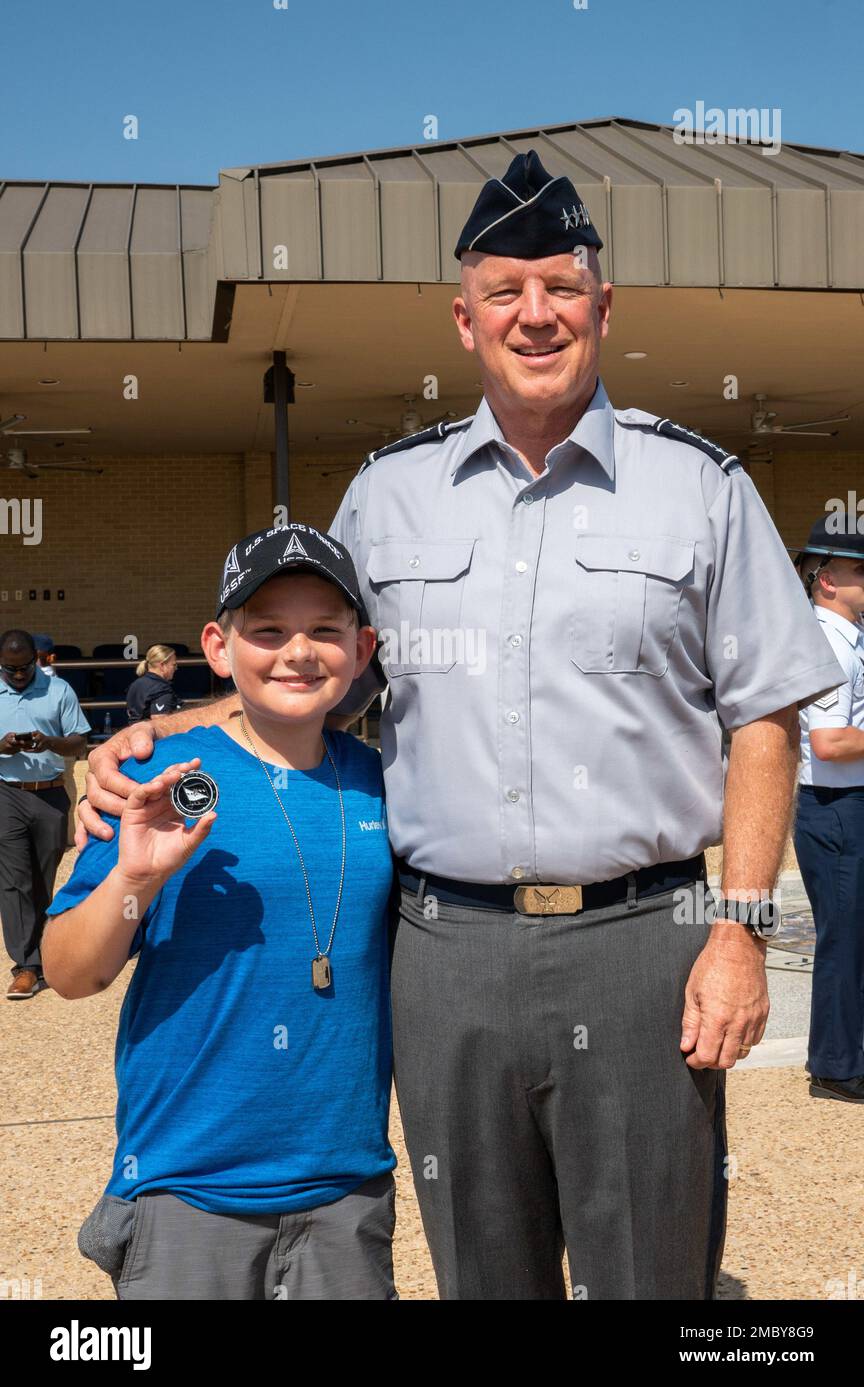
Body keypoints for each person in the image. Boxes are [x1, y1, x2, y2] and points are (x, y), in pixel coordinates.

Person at [78, 152, 846, 1301]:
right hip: (446, 951)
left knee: (654, 1271)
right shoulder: (390, 498)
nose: (534, 313)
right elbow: (312, 667)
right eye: (505, 290)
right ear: (465, 317)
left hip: (646, 940)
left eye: (559, 286)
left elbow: (765, 718)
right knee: (485, 1271)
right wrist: (153, 732)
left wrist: (738, 929)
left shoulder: (702, 487)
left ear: (602, 304)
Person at [42, 525, 398, 1300]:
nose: (297, 651)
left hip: (347, 1187)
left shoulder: (386, 784)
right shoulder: (161, 779)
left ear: (363, 648)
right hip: (186, 1186)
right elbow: (69, 972)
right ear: (218, 645)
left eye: (325, 630)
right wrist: (132, 880)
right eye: (267, 629)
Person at [788, 516, 864, 1103]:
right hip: (837, 805)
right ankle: (836, 1068)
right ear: (827, 581)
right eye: (861, 572)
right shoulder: (831, 643)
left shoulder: (848, 636)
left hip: (844, 804)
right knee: (844, 938)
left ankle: (846, 1055)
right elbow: (829, 743)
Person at [0, 630, 89, 999]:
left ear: (37, 659)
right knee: (14, 880)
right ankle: (26, 966)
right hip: (7, 793)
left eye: (25, 668)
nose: (19, 676)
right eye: (10, 669)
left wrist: (49, 742)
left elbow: (80, 740)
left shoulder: (59, 691)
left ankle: (44, 951)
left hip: (50, 795)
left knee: (42, 880)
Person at [34, 633, 79, 847]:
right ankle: (68, 835)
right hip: (59, 742)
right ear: (51, 657)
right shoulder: (59, 683)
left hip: (34, 744)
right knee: (65, 786)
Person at [125, 645, 182, 723]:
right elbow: (160, 721)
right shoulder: (161, 689)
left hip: (132, 731)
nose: (176, 668)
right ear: (162, 665)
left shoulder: (136, 684)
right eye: (174, 665)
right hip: (152, 734)